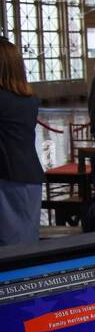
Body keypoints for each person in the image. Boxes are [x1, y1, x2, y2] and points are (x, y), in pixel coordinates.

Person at [0, 38, 43, 246]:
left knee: (10, 247)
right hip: (27, 177)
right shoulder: (28, 99)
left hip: (7, 179)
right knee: (25, 243)